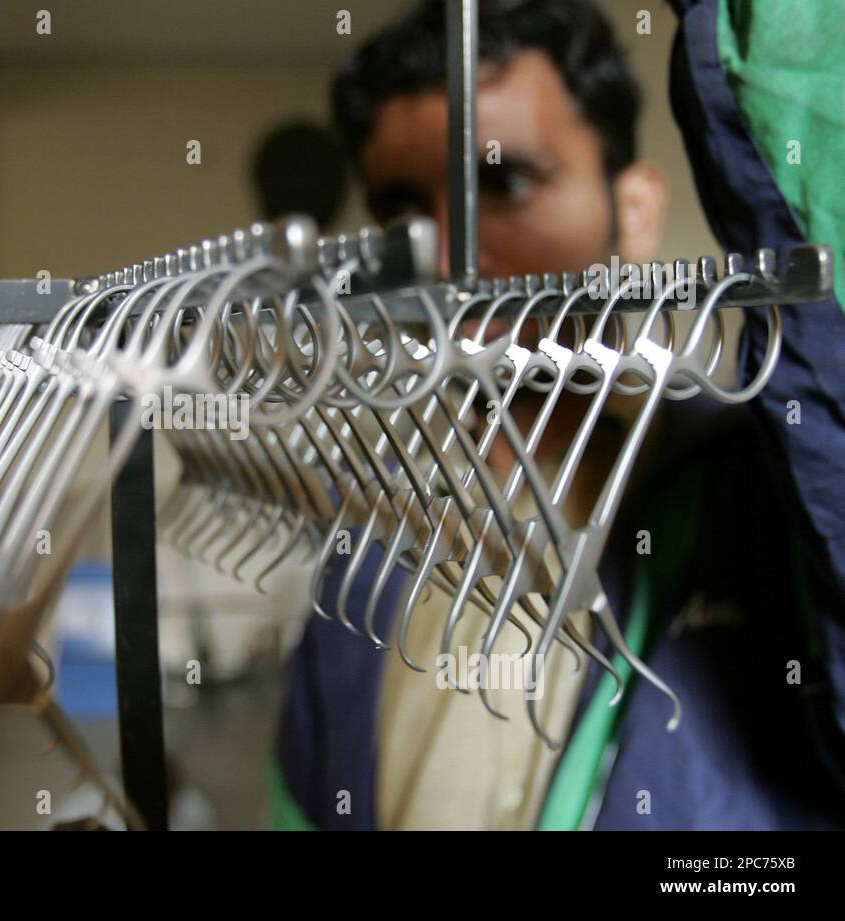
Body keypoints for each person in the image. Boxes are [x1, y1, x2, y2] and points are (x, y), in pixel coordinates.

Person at [270, 0, 845, 831]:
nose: (449, 258)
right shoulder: (372, 533)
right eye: (402, 210)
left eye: (504, 182)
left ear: (637, 212)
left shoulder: (766, 503)